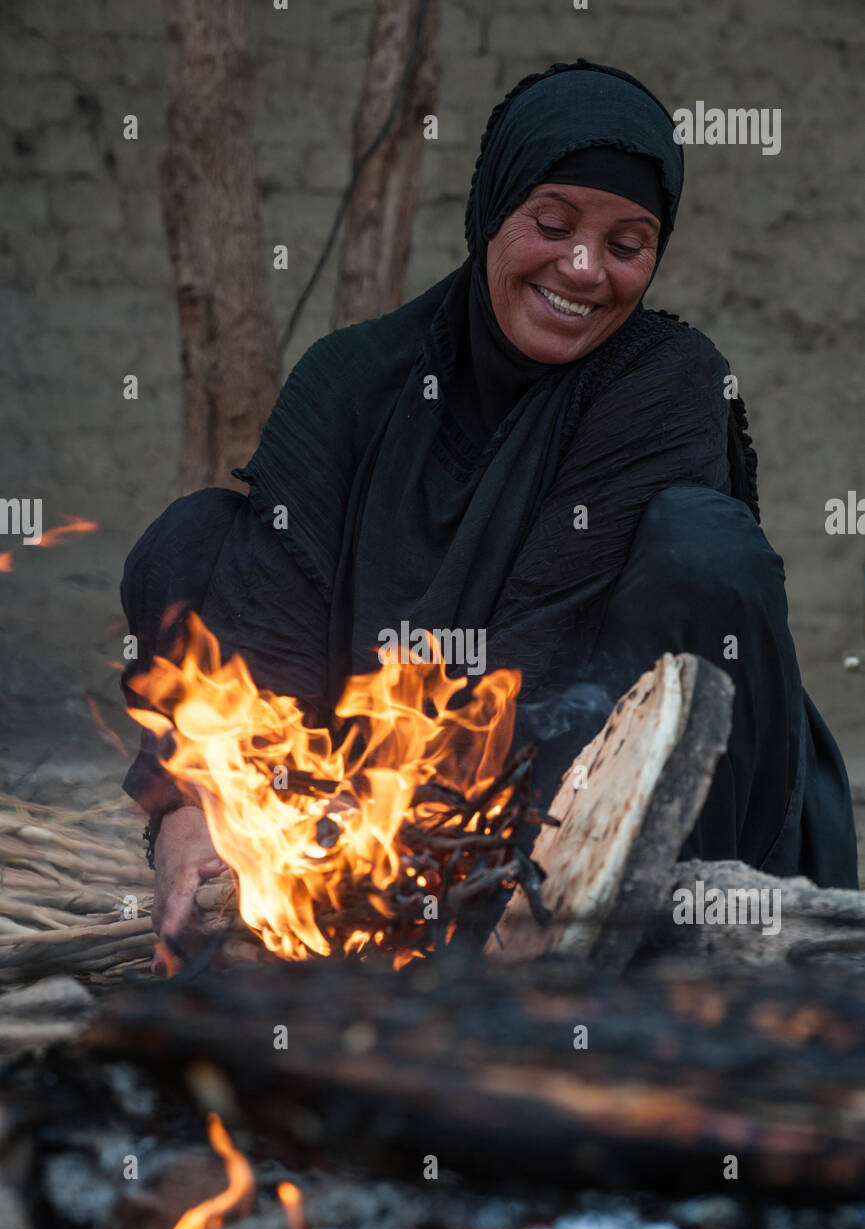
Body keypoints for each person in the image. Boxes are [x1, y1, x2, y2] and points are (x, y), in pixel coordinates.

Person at [121, 59, 859, 964]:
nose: (582, 269)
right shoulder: (353, 379)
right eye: (551, 225)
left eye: (626, 245)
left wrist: (486, 880)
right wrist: (196, 812)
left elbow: (542, 664)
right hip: (376, 799)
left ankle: (606, 945)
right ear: (491, 210)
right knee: (197, 538)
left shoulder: (663, 381)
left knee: (705, 551)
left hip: (602, 804)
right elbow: (265, 621)